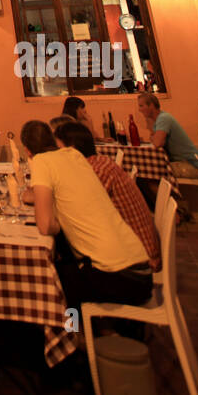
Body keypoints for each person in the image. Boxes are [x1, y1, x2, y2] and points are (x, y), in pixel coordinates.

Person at [20, 119, 152, 311]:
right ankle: (95, 328)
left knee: (53, 281)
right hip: (141, 267)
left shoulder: (41, 161)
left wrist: (60, 224)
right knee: (65, 261)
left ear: (27, 150)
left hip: (121, 278)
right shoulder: (74, 155)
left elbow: (45, 225)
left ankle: (71, 333)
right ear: (53, 139)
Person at [55, 121, 160, 271]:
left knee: (61, 265)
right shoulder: (99, 162)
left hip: (134, 261)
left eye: (58, 149)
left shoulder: (95, 172)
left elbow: (78, 212)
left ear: (72, 149)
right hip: (131, 249)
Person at [137, 94, 198, 178]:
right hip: (183, 162)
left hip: (193, 166)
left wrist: (153, 135)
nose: (139, 110)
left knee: (152, 172)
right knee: (150, 171)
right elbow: (156, 140)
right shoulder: (159, 120)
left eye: (141, 106)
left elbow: (157, 143)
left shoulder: (163, 118)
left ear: (151, 105)